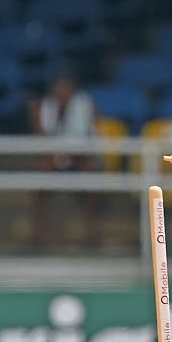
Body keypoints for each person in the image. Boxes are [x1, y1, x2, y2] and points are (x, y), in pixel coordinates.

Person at [29, 71, 103, 247]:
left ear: (73, 90)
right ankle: (37, 233)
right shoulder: (42, 107)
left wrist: (69, 154)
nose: (63, 92)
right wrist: (57, 154)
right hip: (53, 155)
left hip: (81, 156)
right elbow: (41, 137)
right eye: (59, 88)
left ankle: (93, 232)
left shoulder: (86, 105)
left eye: (66, 88)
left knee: (90, 176)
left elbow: (87, 137)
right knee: (39, 174)